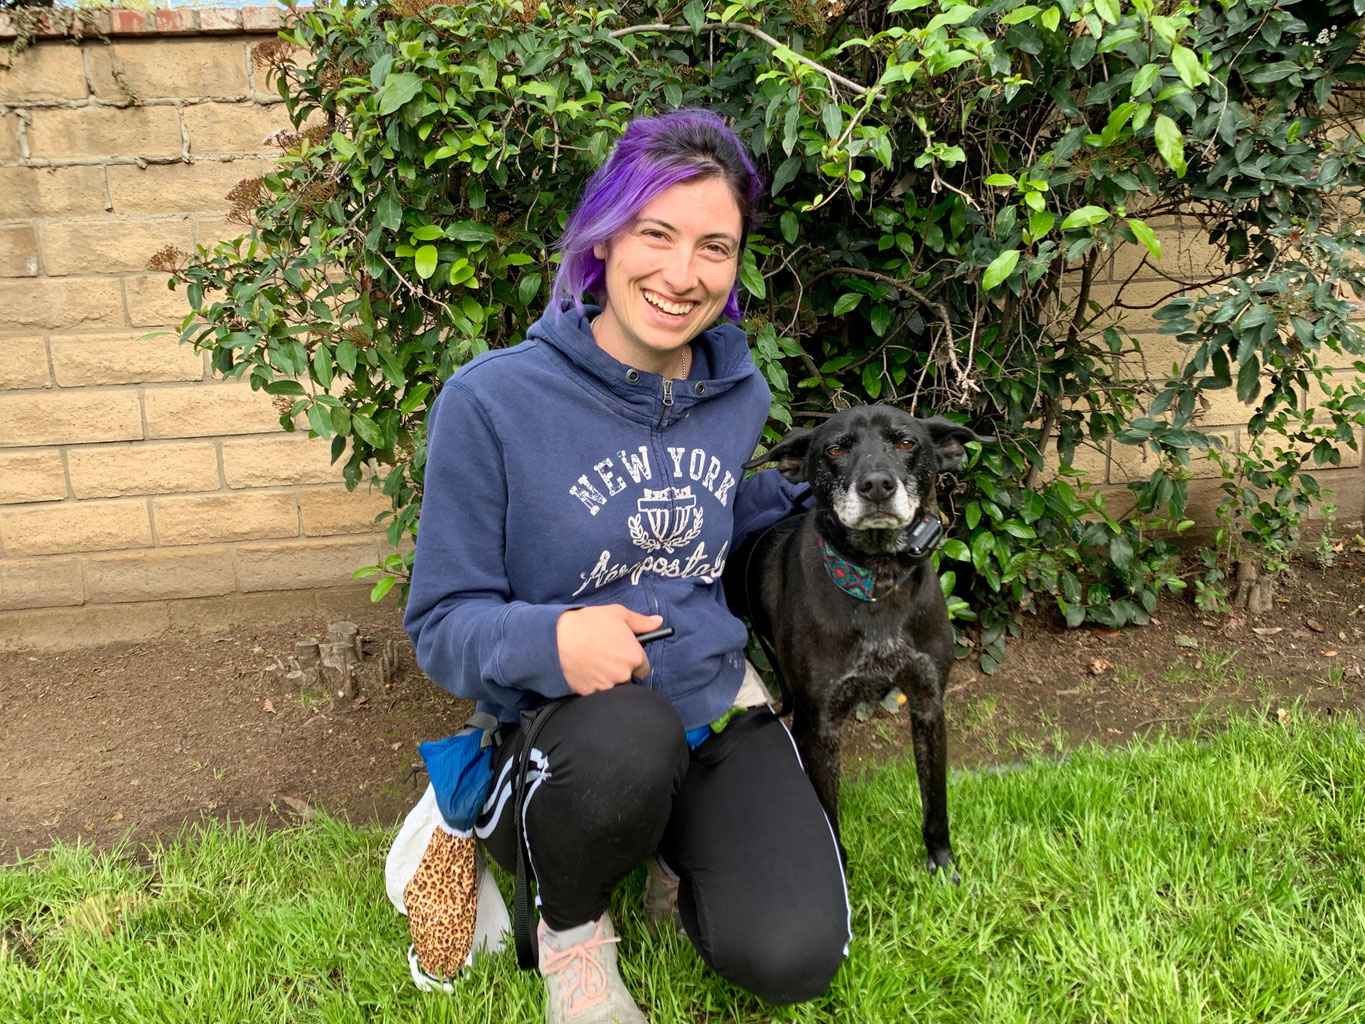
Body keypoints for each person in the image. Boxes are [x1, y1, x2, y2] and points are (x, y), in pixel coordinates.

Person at [402, 108, 850, 1024]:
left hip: (710, 703)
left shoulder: (736, 391)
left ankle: (663, 839)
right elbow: (441, 625)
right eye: (656, 234)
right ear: (602, 239)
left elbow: (705, 522)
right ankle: (567, 924)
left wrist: (830, 491)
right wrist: (552, 639)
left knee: (793, 956)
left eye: (714, 247)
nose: (683, 275)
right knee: (626, 739)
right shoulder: (491, 401)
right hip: (573, 727)